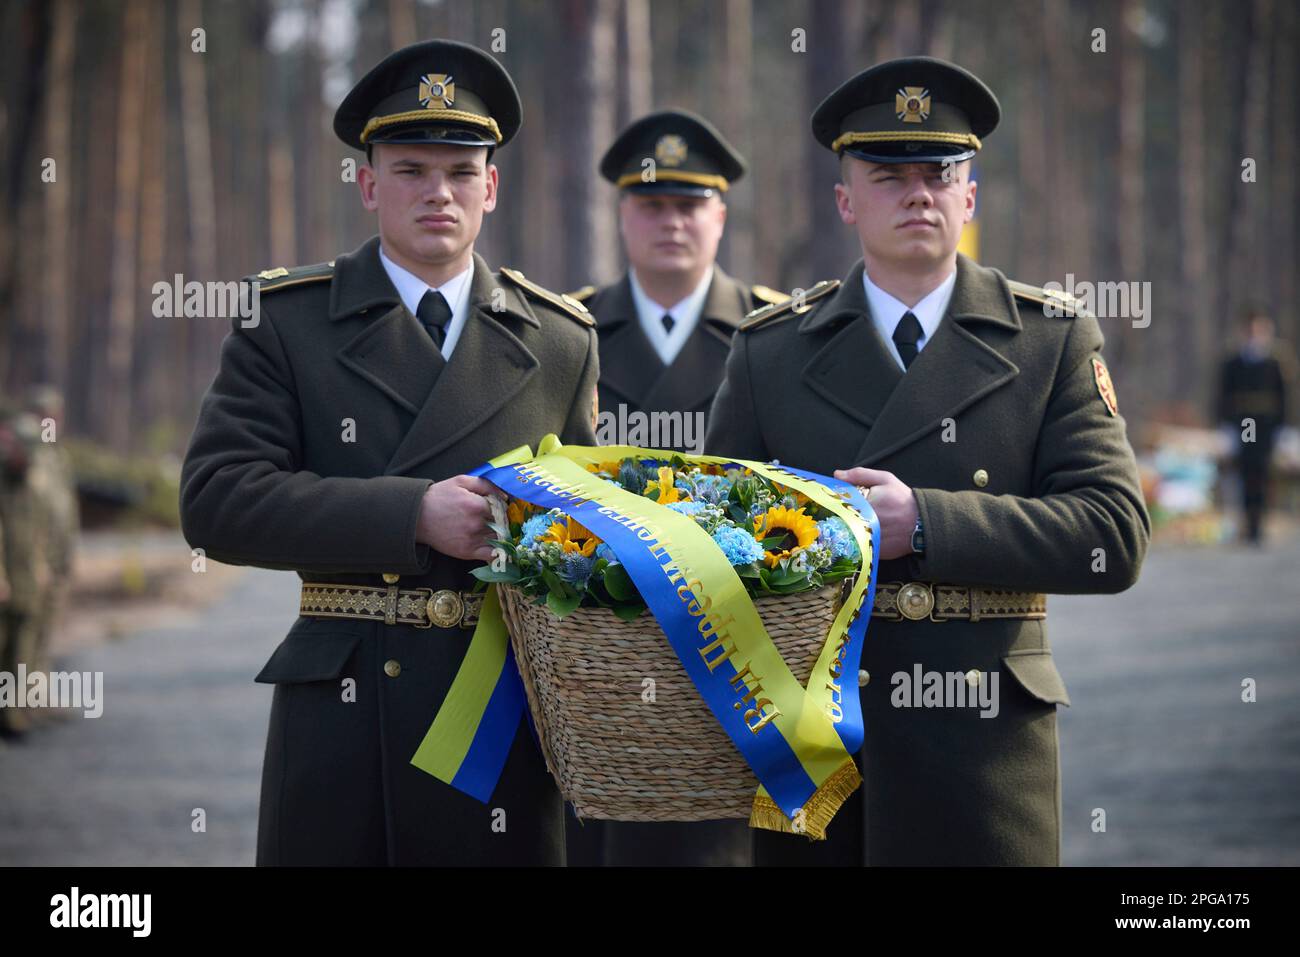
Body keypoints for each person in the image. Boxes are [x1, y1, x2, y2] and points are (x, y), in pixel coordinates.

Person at [706, 56, 1150, 865]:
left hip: (982, 751)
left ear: (969, 195)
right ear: (846, 200)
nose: (919, 192)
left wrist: (929, 525)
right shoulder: (768, 352)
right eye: (887, 174)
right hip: (815, 757)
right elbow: (707, 549)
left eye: (941, 172)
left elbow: (1113, 534)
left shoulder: (1050, 340)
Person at [180, 39, 599, 866]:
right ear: (368, 184)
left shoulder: (560, 339)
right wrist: (412, 514)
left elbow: (584, 539)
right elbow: (217, 500)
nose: (437, 192)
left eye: (459, 170)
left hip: (501, 721)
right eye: (409, 170)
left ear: (491, 186)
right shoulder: (290, 322)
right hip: (345, 716)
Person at [567, 109, 785, 455]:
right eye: (652, 205)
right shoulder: (573, 328)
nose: (671, 223)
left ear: (720, 218)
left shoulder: (774, 329)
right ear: (623, 216)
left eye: (688, 206)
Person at [1217, 309, 1292, 545]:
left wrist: (1284, 427)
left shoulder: (1276, 362)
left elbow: (1285, 397)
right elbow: (1224, 396)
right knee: (1246, 470)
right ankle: (1248, 523)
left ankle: (1259, 523)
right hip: (1245, 423)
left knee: (1263, 471)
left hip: (1266, 423)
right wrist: (1226, 426)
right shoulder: (1233, 362)